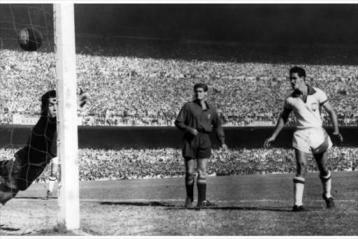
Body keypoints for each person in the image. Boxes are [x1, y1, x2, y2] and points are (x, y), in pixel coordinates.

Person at [264, 66, 343, 212]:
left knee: (323, 168)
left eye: (294, 78)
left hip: (318, 133)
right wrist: (273, 136)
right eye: (290, 79)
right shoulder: (290, 99)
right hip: (301, 134)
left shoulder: (318, 93)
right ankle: (297, 205)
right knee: (301, 165)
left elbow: (331, 111)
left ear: (302, 78)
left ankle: (327, 195)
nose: (292, 81)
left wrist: (336, 130)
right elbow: (283, 117)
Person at [0, 90, 87, 205]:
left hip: (25, 167)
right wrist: (73, 105)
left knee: (9, 192)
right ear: (45, 107)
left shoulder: (56, 124)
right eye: (51, 105)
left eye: (58, 104)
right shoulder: (47, 121)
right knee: (6, 193)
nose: (55, 108)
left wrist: (72, 105)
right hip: (20, 167)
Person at [175, 83, 228, 209]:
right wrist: (189, 129)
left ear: (205, 93)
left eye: (200, 91)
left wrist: (222, 142)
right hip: (190, 139)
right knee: (189, 172)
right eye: (196, 91)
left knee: (202, 172)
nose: (198, 93)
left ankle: (201, 202)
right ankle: (189, 198)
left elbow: (218, 127)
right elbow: (178, 122)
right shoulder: (188, 106)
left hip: (204, 140)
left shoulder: (212, 109)